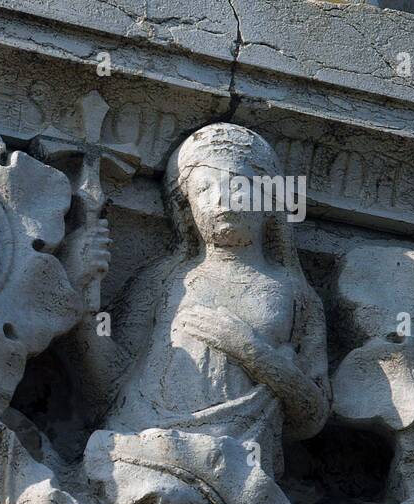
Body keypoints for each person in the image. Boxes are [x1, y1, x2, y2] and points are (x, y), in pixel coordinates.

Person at [64, 124, 328, 473]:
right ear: (185, 209)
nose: (220, 200)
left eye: (238, 186)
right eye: (203, 189)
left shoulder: (295, 295)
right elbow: (109, 382)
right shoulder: (165, 280)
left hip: (236, 467)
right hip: (141, 446)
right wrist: (81, 293)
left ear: (269, 201)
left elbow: (312, 414)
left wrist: (249, 350)